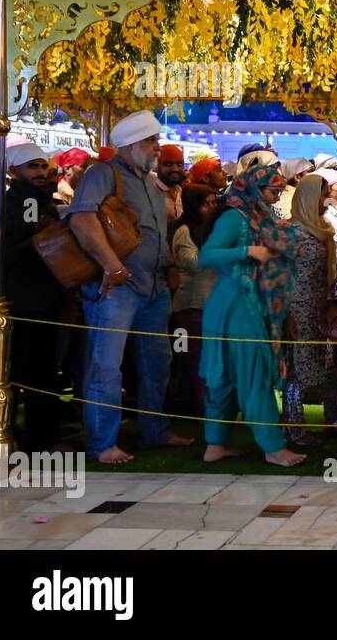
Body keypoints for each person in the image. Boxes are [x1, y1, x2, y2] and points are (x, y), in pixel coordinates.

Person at [67, 111, 192, 464]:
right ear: (133, 144)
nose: (157, 149)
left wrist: (167, 267)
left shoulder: (148, 180)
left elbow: (156, 232)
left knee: (157, 363)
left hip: (153, 287)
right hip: (117, 288)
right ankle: (103, 443)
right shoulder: (102, 174)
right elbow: (81, 218)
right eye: (152, 142)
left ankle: (155, 432)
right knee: (106, 366)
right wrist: (112, 265)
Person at [198, 164, 305, 467]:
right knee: (252, 369)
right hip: (235, 303)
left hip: (246, 302)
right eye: (273, 191)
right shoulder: (235, 216)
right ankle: (273, 448)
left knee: (232, 374)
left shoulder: (259, 216)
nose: (276, 197)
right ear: (254, 189)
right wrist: (248, 251)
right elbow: (205, 255)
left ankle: (215, 445)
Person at [3, 144, 66, 451]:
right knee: (18, 373)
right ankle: (12, 437)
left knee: (43, 373)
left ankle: (43, 440)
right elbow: (3, 256)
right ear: (13, 172)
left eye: (43, 166)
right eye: (33, 167)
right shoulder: (11, 203)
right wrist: (38, 238)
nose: (41, 173)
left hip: (46, 300)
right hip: (20, 302)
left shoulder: (44, 202)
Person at [282, 173, 337, 447]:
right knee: (299, 370)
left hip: (322, 307)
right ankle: (294, 431)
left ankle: (333, 421)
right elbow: (279, 278)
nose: (326, 199)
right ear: (308, 198)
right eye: (321, 195)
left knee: (330, 365)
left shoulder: (323, 228)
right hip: (298, 311)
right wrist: (285, 315)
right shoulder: (290, 233)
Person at [170, 184, 219, 417]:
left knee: (205, 358)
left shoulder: (210, 229)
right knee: (193, 359)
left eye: (213, 202)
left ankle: (203, 406)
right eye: (205, 203)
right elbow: (192, 262)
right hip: (191, 304)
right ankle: (201, 408)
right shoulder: (184, 231)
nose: (210, 207)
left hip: (210, 304)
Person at [152, 144, 186, 224]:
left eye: (179, 164)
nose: (175, 169)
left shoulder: (181, 192)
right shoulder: (149, 191)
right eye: (168, 164)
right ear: (156, 166)